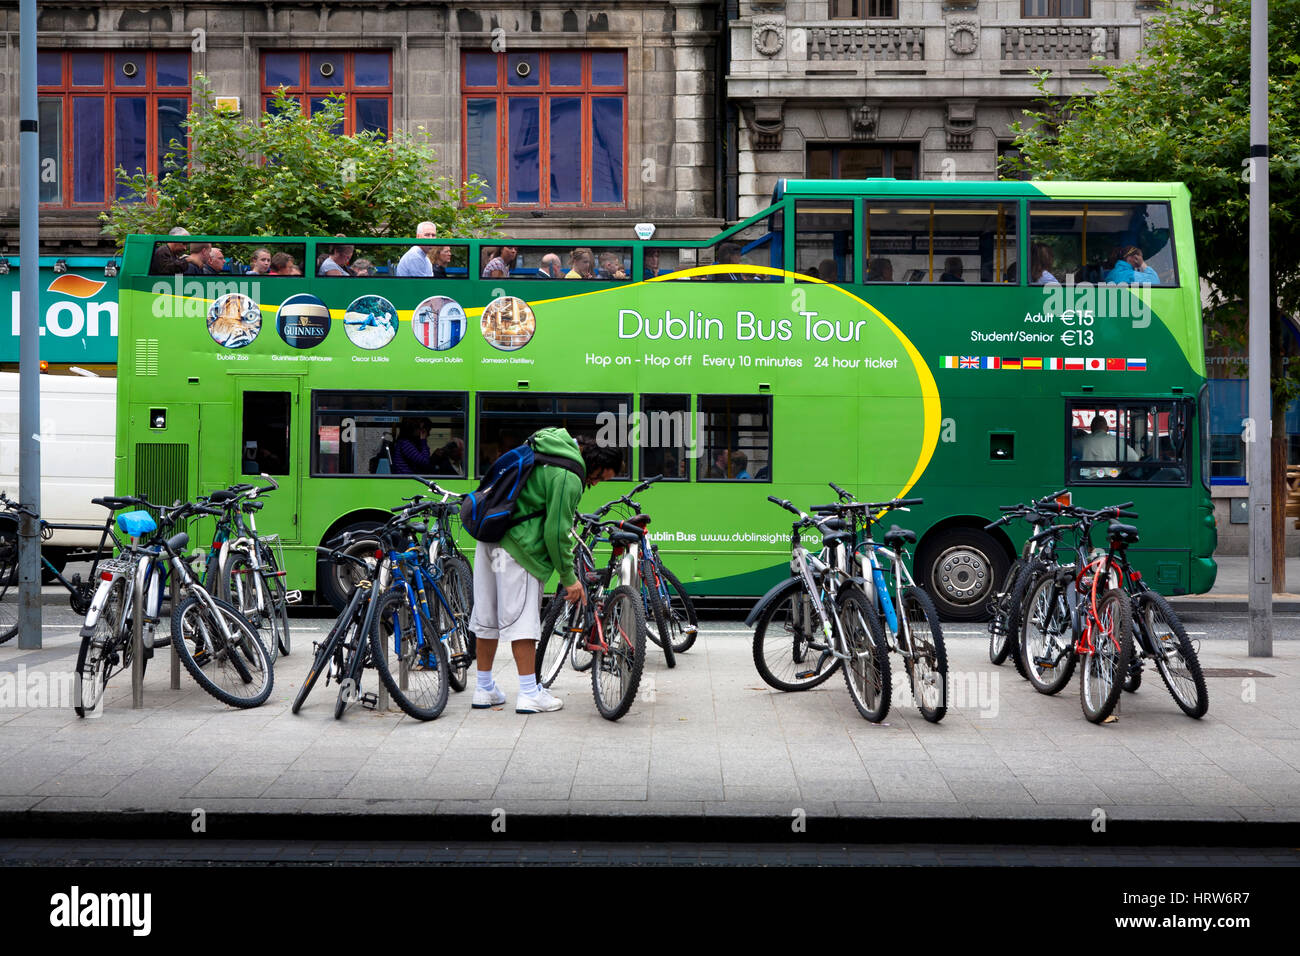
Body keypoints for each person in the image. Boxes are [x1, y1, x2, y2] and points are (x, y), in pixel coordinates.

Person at [468, 429, 623, 714]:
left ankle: (483, 687)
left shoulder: (546, 447)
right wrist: (569, 578)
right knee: (522, 622)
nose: (597, 482)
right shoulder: (570, 475)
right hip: (520, 550)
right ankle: (529, 692)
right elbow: (556, 532)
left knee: (486, 615)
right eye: (601, 477)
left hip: (490, 540)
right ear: (596, 462)